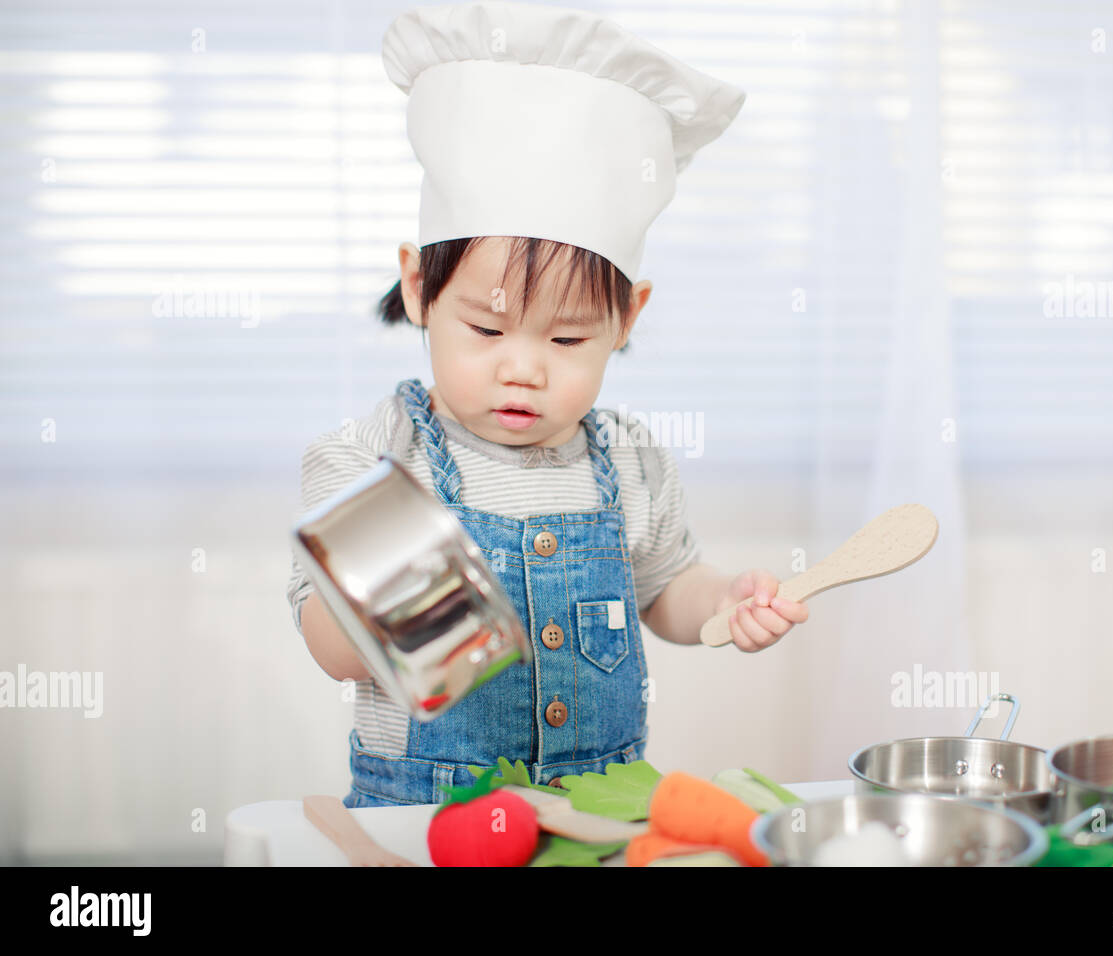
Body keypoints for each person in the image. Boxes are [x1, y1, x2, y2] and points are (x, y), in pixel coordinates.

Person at [285, 1, 809, 807]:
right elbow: (333, 652)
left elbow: (665, 593)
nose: (522, 369)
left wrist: (727, 599)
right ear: (420, 287)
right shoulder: (374, 457)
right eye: (487, 329)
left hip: (598, 813)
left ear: (626, 318)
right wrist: (399, 595)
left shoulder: (629, 461)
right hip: (426, 821)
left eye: (566, 341)